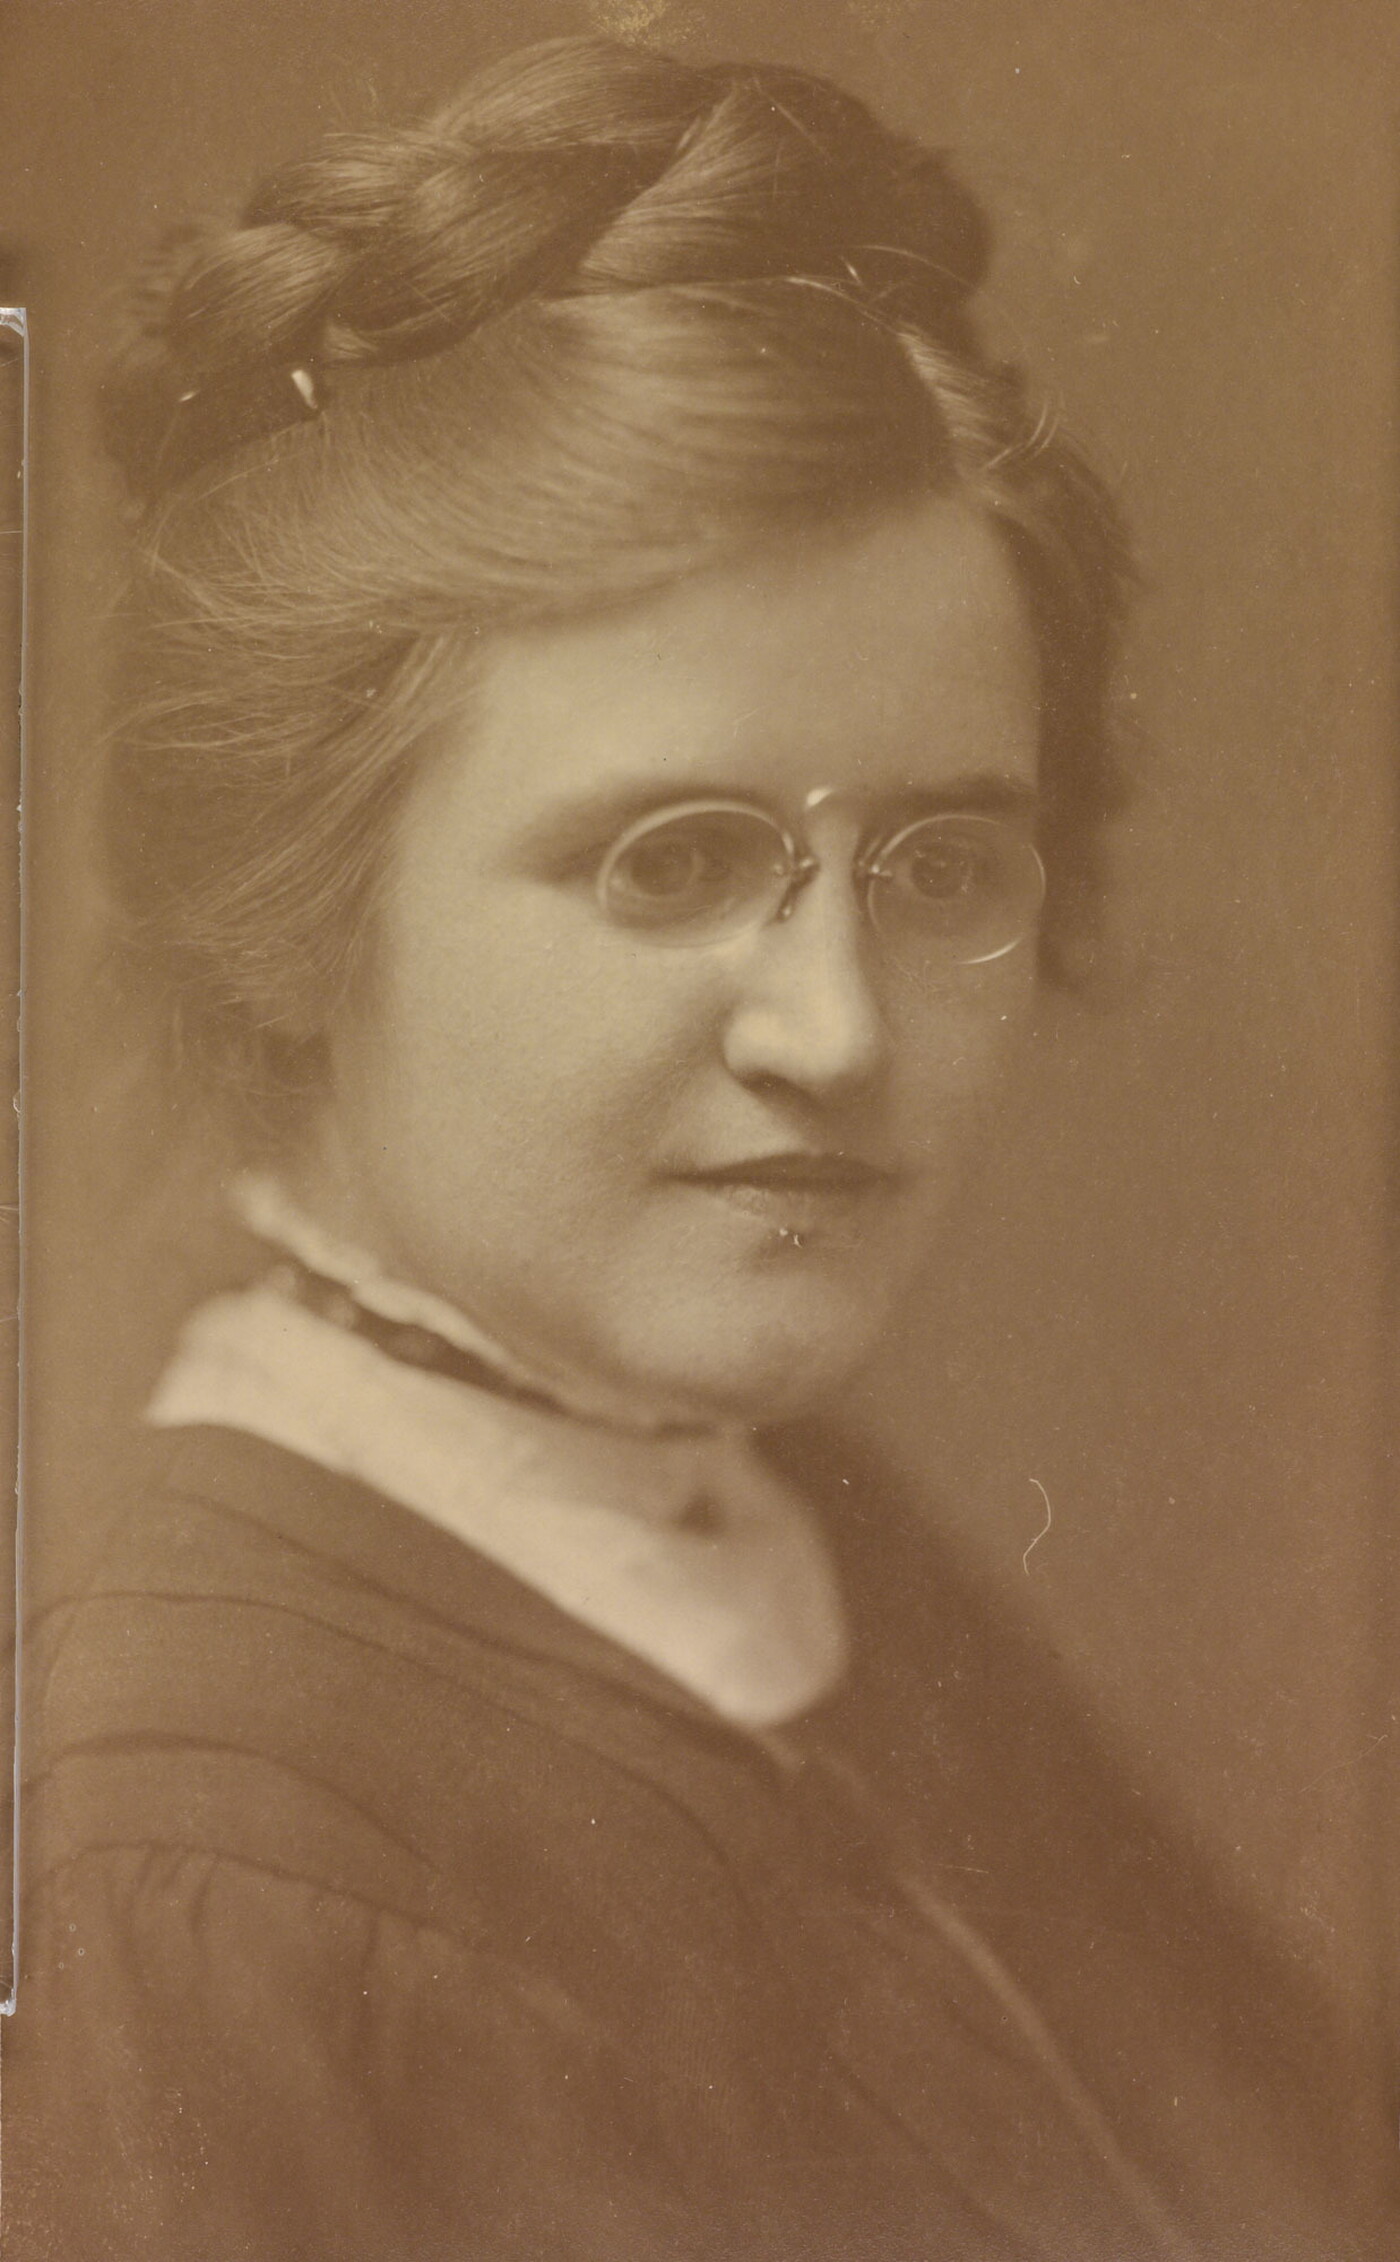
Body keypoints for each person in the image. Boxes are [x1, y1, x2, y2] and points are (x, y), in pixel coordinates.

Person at [5, 34, 1384, 2260]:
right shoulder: (187, 1863)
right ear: (305, 915)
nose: (838, 1031)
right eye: (669, 863)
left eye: (943, 863)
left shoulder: (773, 1524)